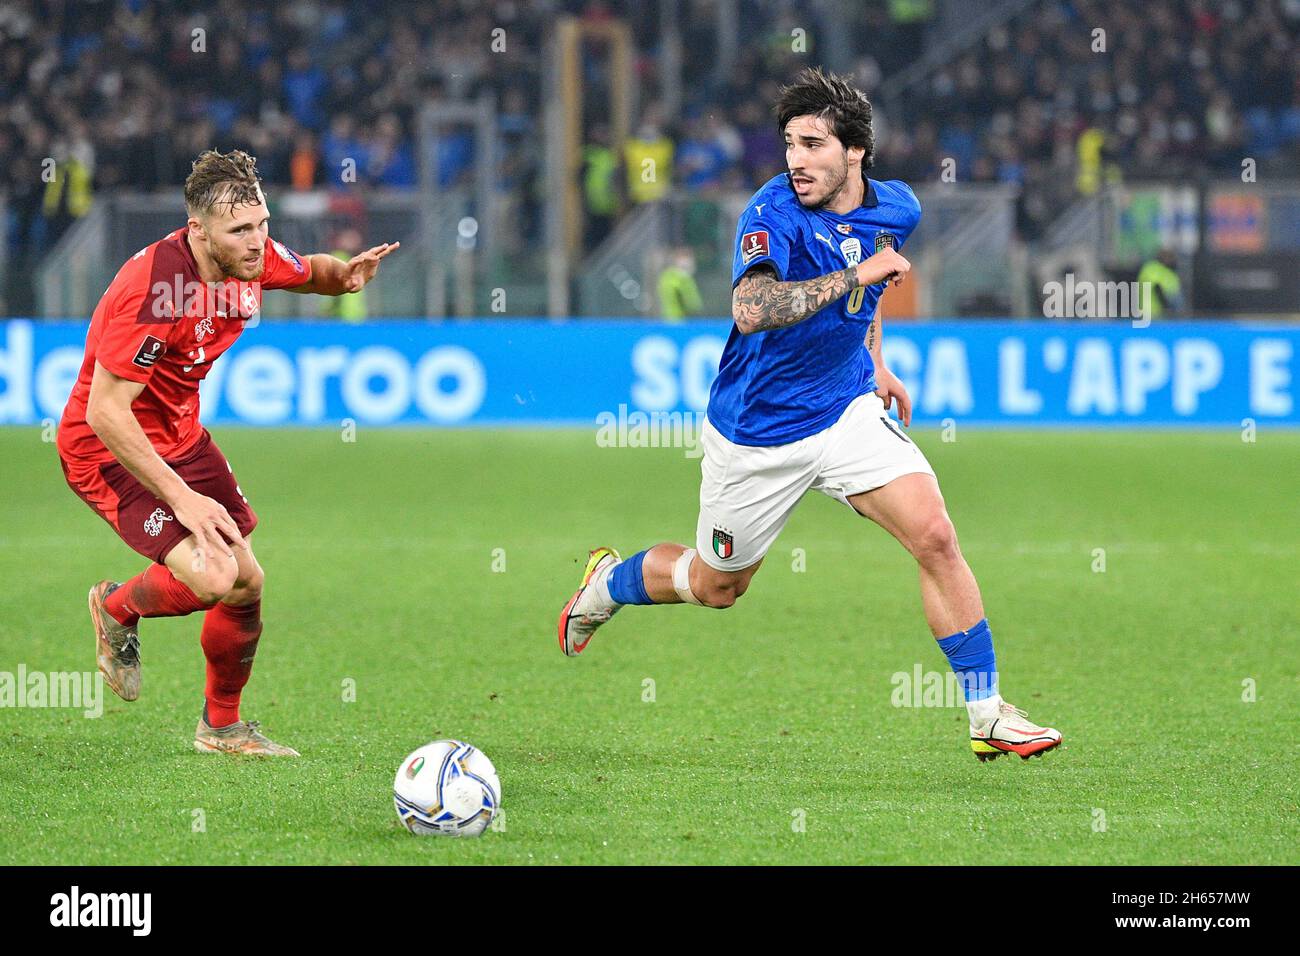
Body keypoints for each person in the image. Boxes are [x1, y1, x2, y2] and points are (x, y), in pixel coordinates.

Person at [557, 68, 1062, 763]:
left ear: (855, 151)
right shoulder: (772, 214)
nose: (796, 159)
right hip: (758, 432)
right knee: (716, 586)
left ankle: (988, 714)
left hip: (846, 407)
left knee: (935, 535)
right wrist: (857, 277)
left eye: (814, 145)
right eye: (790, 144)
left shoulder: (898, 207)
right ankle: (608, 585)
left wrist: (875, 360)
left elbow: (872, 283)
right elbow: (752, 310)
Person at [58, 149, 399, 756]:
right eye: (241, 230)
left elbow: (311, 271)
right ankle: (115, 607)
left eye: (263, 223)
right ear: (198, 230)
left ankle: (221, 729)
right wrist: (182, 498)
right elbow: (105, 412)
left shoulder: (248, 257)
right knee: (214, 575)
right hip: (107, 450)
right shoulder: (157, 289)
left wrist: (345, 275)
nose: (258, 240)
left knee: (247, 583)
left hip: (182, 439)